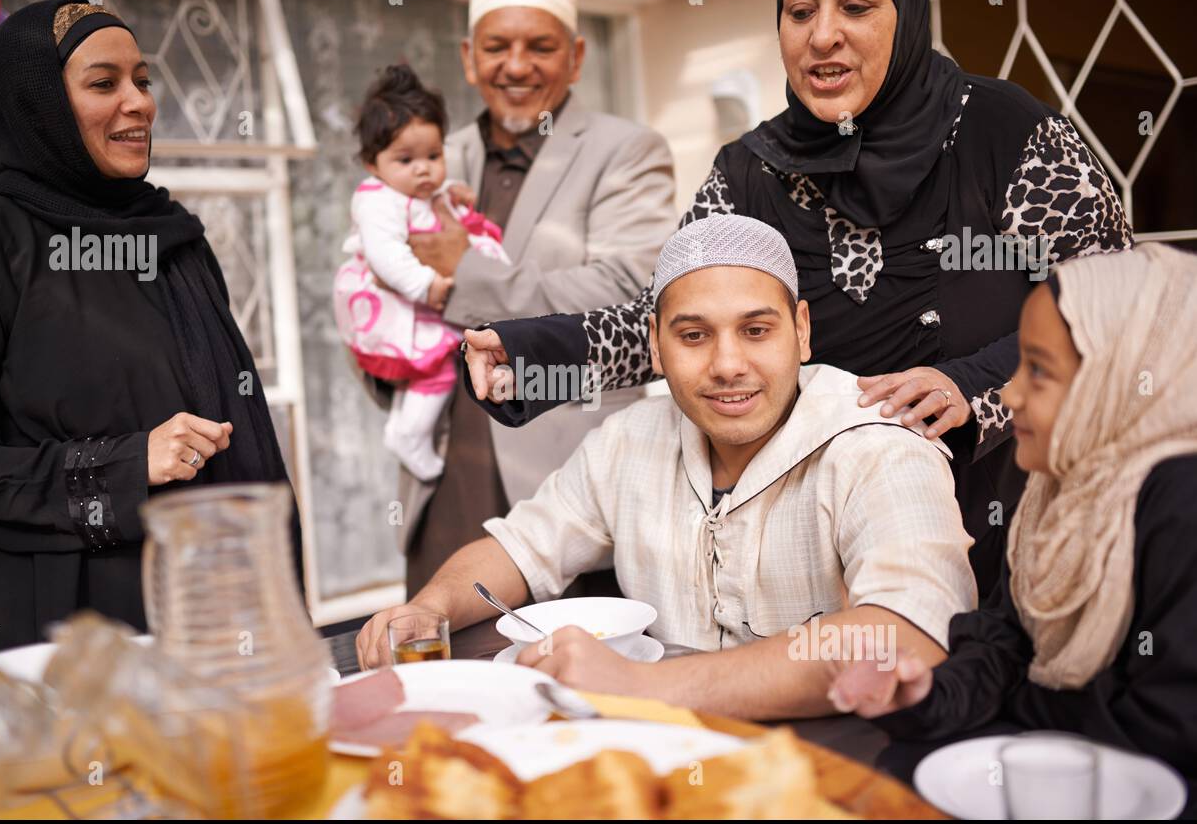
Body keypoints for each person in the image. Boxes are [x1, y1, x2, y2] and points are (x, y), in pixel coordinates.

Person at [460, 0, 1133, 604]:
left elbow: (1114, 308)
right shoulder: (754, 171)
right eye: (800, 11)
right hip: (832, 556)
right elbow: (670, 323)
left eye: (857, 6)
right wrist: (533, 357)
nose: (823, 35)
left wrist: (975, 382)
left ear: (905, 13)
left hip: (1021, 528)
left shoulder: (1004, 133)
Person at [357, 216, 977, 721]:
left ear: (801, 330)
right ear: (655, 345)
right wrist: (431, 607)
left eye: (756, 330)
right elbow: (520, 549)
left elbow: (908, 635)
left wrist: (641, 687)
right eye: (694, 336)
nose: (728, 365)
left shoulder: (879, 443)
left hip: (827, 779)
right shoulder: (630, 440)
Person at [0, 0, 297, 648]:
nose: (139, 103)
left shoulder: (176, 241)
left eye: (142, 80)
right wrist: (123, 467)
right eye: (104, 83)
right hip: (77, 633)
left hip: (220, 612)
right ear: (39, 106)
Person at [829, 243, 1197, 809]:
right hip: (1068, 758)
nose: (1010, 393)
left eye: (1040, 371)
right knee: (896, 769)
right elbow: (1004, 644)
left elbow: (1170, 731)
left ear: (1124, 378)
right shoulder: (1057, 488)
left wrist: (1013, 702)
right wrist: (926, 693)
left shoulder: (1180, 499)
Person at [392, 0, 676, 596]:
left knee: (574, 657)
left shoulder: (626, 151)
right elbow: (381, 281)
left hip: (568, 490)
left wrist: (462, 273)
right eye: (497, 47)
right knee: (440, 648)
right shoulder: (433, 158)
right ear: (470, 58)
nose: (516, 66)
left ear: (575, 58)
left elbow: (626, 292)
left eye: (540, 47)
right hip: (444, 482)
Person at [333, 64, 507, 482]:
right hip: (396, 302)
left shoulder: (414, 192)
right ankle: (409, 435)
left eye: (433, 156)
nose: (424, 170)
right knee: (438, 367)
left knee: (424, 370)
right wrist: (424, 284)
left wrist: (453, 192)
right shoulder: (378, 201)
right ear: (372, 163)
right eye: (406, 159)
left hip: (414, 304)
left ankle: (404, 424)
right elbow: (386, 255)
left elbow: (433, 207)